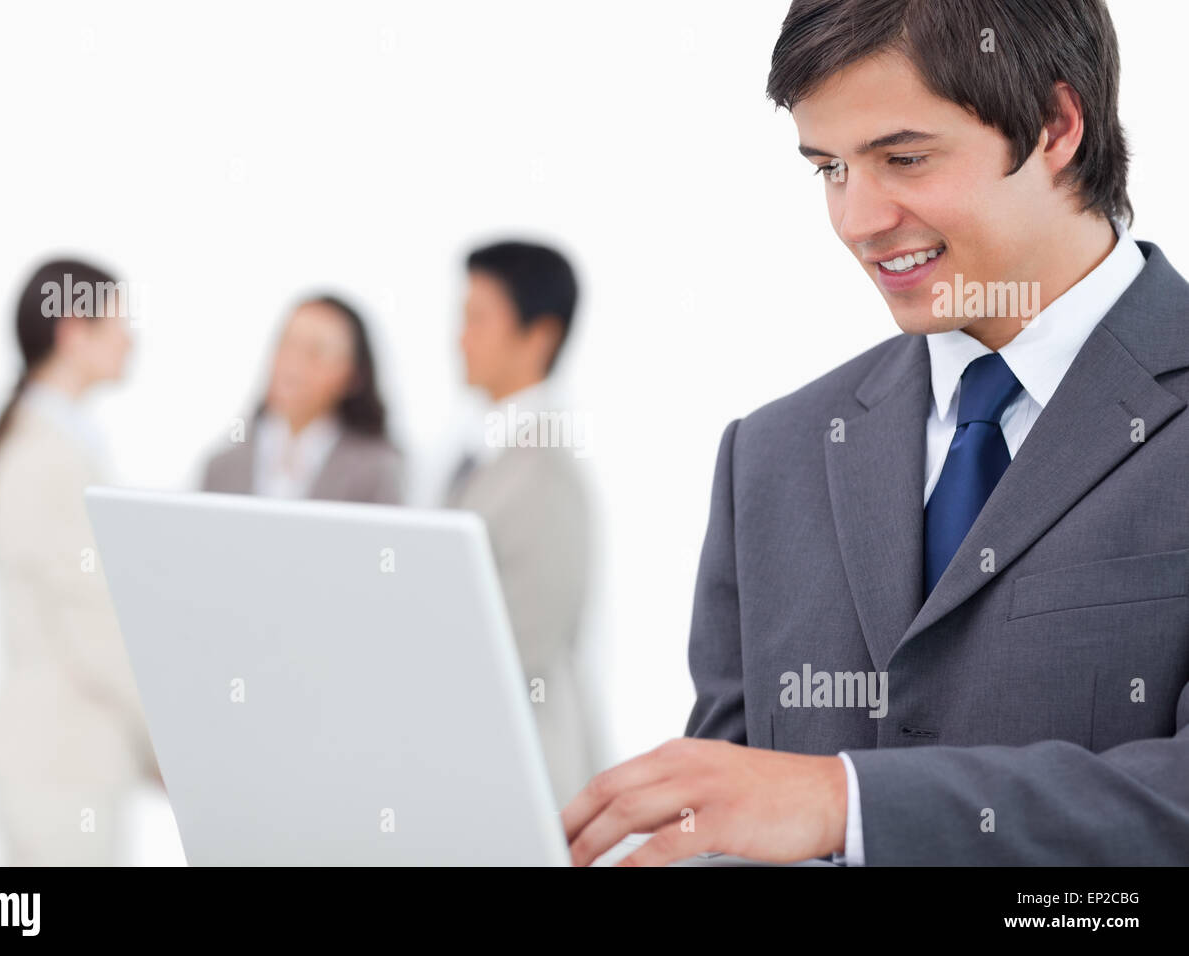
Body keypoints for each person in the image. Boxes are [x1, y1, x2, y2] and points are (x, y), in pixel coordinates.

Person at [563, 0, 1189, 865]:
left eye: (903, 158)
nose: (857, 222)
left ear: (1054, 126)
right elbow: (727, 822)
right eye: (829, 169)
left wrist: (847, 804)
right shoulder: (771, 457)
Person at [0, 258, 160, 865]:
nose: (132, 338)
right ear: (73, 331)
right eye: (117, 322)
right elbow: (94, 627)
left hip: (60, 759)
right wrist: (172, 745)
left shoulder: (54, 444)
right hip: (61, 763)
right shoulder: (46, 459)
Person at [446, 240, 601, 807]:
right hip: (470, 767)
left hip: (523, 780)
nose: (459, 337)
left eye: (478, 319)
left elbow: (520, 650)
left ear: (539, 336)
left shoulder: (548, 474)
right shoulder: (482, 452)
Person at [203, 294, 402, 504]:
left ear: (353, 376)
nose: (293, 364)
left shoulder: (377, 470)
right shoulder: (223, 465)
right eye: (287, 344)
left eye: (315, 352)